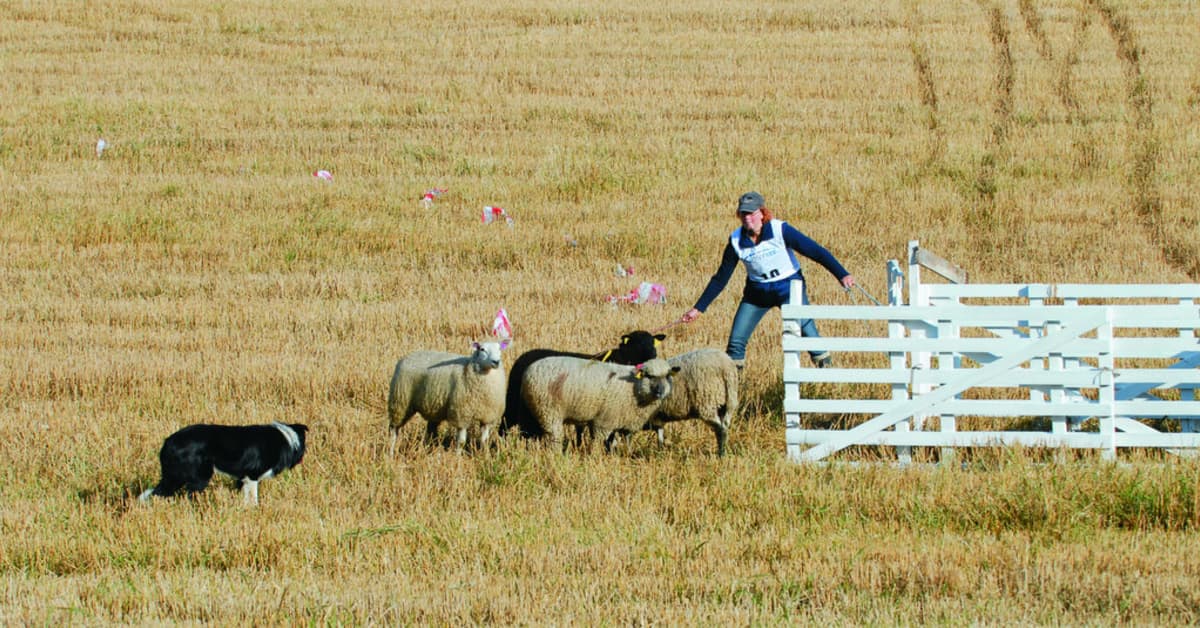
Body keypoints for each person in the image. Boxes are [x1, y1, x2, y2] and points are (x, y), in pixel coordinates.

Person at [680, 191, 855, 369]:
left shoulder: (780, 229)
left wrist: (842, 274)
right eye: (743, 213)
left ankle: (827, 373)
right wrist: (698, 308)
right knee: (736, 342)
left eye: (752, 213)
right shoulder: (735, 241)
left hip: (788, 288)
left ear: (762, 213)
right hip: (756, 294)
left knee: (809, 334)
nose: (747, 218)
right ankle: (734, 388)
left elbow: (815, 251)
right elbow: (720, 278)